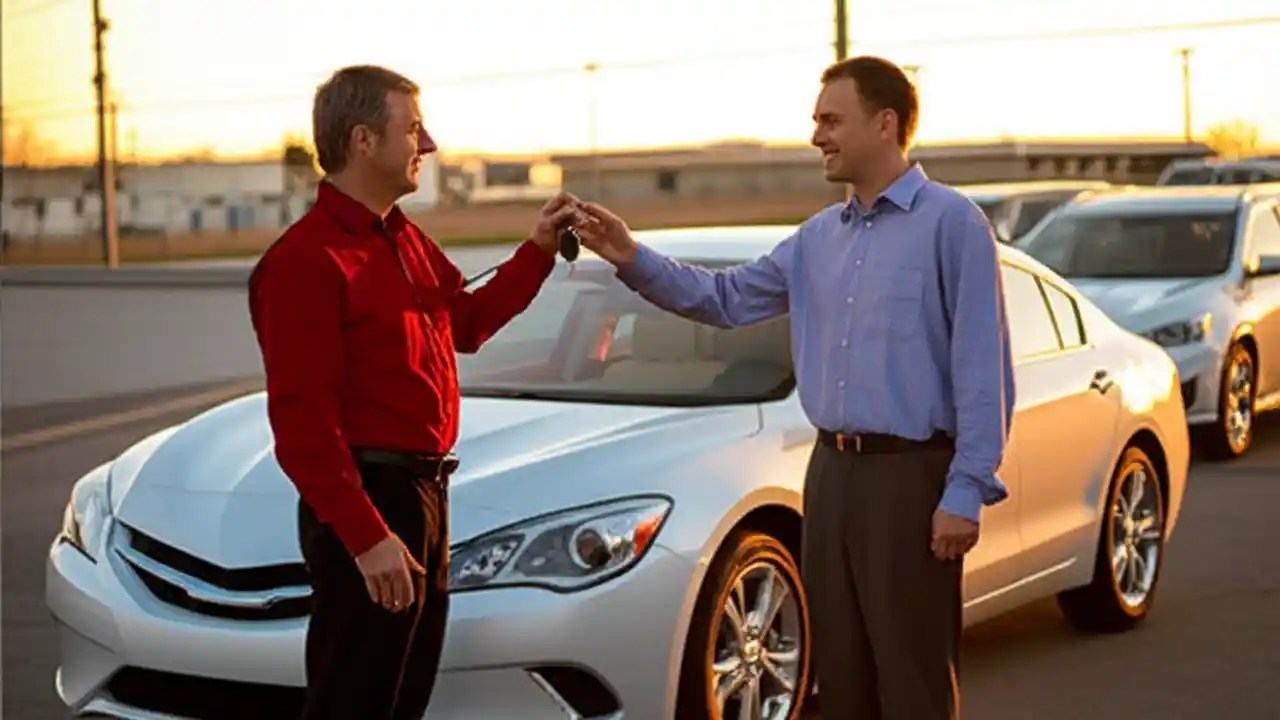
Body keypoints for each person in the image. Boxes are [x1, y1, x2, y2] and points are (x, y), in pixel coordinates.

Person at [574, 56, 1014, 719]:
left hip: (912, 479)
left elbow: (984, 370)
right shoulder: (815, 240)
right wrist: (631, 256)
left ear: (884, 122)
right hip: (830, 474)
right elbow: (723, 300)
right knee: (837, 676)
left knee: (914, 677)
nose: (817, 136)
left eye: (831, 120)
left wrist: (966, 489)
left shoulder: (952, 225)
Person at [247, 64, 583, 720]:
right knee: (355, 699)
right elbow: (302, 426)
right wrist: (367, 537)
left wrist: (538, 250)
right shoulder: (305, 263)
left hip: (424, 498)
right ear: (365, 140)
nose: (428, 146)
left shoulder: (403, 240)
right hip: (373, 502)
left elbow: (469, 323)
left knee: (403, 695)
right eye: (414, 129)